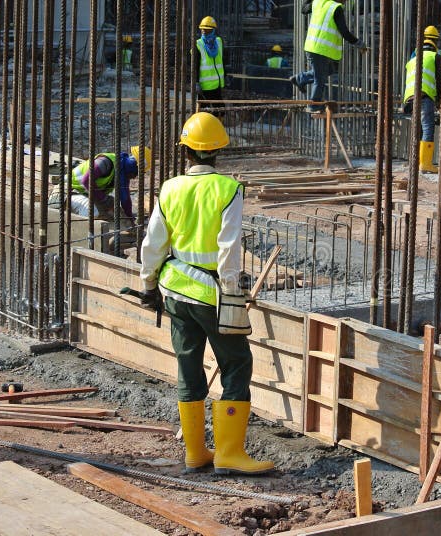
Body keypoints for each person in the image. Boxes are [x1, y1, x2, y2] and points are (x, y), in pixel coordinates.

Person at [140, 112, 274, 475]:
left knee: (188, 366)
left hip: (176, 292)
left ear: (185, 150)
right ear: (218, 151)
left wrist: (148, 284)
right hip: (213, 294)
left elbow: (153, 243)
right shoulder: (227, 188)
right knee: (236, 363)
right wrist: (232, 291)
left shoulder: (169, 188)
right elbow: (228, 247)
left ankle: (196, 452)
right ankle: (229, 452)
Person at [289, 0, 367, 113]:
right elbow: (344, 32)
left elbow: (303, 9)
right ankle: (314, 105)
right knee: (320, 78)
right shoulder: (336, 8)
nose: (346, 2)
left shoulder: (318, 3)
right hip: (319, 49)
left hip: (315, 47)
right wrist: (359, 43)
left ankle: (300, 79)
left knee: (330, 69)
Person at [48, 147, 150, 219]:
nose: (135, 176)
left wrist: (129, 217)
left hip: (84, 195)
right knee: (94, 212)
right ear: (134, 164)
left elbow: (125, 199)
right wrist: (104, 200)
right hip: (67, 192)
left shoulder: (122, 172)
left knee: (112, 212)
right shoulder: (105, 162)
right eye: (138, 172)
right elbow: (86, 181)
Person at [402, 25, 441, 173]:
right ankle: (425, 164)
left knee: (417, 128)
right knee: (427, 128)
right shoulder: (435, 57)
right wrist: (439, 100)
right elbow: (438, 79)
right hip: (425, 96)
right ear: (435, 42)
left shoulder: (413, 58)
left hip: (410, 97)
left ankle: (416, 161)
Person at [193, 16, 225, 101]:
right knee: (205, 112)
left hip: (217, 85)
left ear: (213, 30)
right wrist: (196, 83)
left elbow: (223, 60)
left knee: (220, 111)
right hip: (204, 87)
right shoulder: (198, 44)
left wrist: (226, 74)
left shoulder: (219, 41)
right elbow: (194, 66)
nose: (204, 32)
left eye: (207, 30)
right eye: (203, 29)